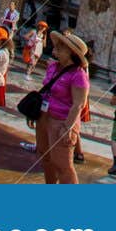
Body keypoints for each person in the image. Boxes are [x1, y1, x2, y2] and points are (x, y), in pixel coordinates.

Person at [35, 30, 90, 184]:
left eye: (61, 47)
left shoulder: (78, 75)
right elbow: (45, 90)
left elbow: (79, 104)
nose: (55, 49)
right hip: (44, 116)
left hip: (62, 121)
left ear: (71, 53)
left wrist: (67, 127)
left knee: (63, 164)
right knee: (46, 157)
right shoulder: (52, 67)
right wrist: (35, 113)